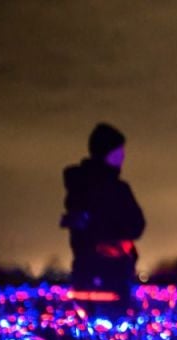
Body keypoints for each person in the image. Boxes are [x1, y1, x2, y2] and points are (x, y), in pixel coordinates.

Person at [61, 123, 146, 308]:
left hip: (89, 272)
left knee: (88, 330)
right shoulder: (115, 190)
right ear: (106, 152)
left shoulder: (78, 186)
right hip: (109, 274)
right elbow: (136, 225)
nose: (123, 155)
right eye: (118, 151)